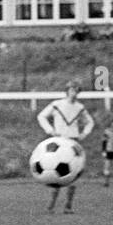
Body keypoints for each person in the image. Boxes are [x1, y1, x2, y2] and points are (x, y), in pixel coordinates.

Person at [37, 80, 95, 213]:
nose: (74, 93)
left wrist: (84, 134)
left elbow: (90, 122)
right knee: (55, 173)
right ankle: (51, 206)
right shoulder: (57, 104)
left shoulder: (80, 107)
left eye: (77, 90)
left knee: (73, 175)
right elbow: (42, 116)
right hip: (59, 142)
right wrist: (50, 131)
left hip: (73, 143)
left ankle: (68, 207)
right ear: (67, 91)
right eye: (72, 90)